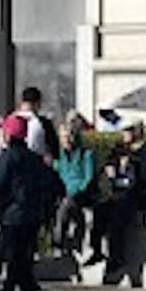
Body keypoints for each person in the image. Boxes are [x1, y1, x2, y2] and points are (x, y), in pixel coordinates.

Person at [0, 114, 50, 291]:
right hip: (33, 215)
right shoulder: (34, 158)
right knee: (20, 262)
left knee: (16, 261)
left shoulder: (9, 156)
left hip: (14, 216)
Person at [97, 120, 146, 288]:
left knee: (118, 218)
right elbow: (109, 163)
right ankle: (99, 250)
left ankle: (116, 262)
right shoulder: (120, 148)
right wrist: (112, 170)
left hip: (139, 195)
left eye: (127, 131)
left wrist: (127, 170)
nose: (124, 134)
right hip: (119, 192)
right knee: (102, 210)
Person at [52, 112, 99, 264]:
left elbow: (88, 177)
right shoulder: (59, 156)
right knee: (68, 209)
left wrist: (76, 190)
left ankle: (58, 243)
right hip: (64, 194)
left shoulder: (86, 154)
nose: (66, 140)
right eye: (63, 137)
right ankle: (70, 245)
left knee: (67, 206)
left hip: (82, 193)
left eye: (69, 136)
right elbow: (57, 173)